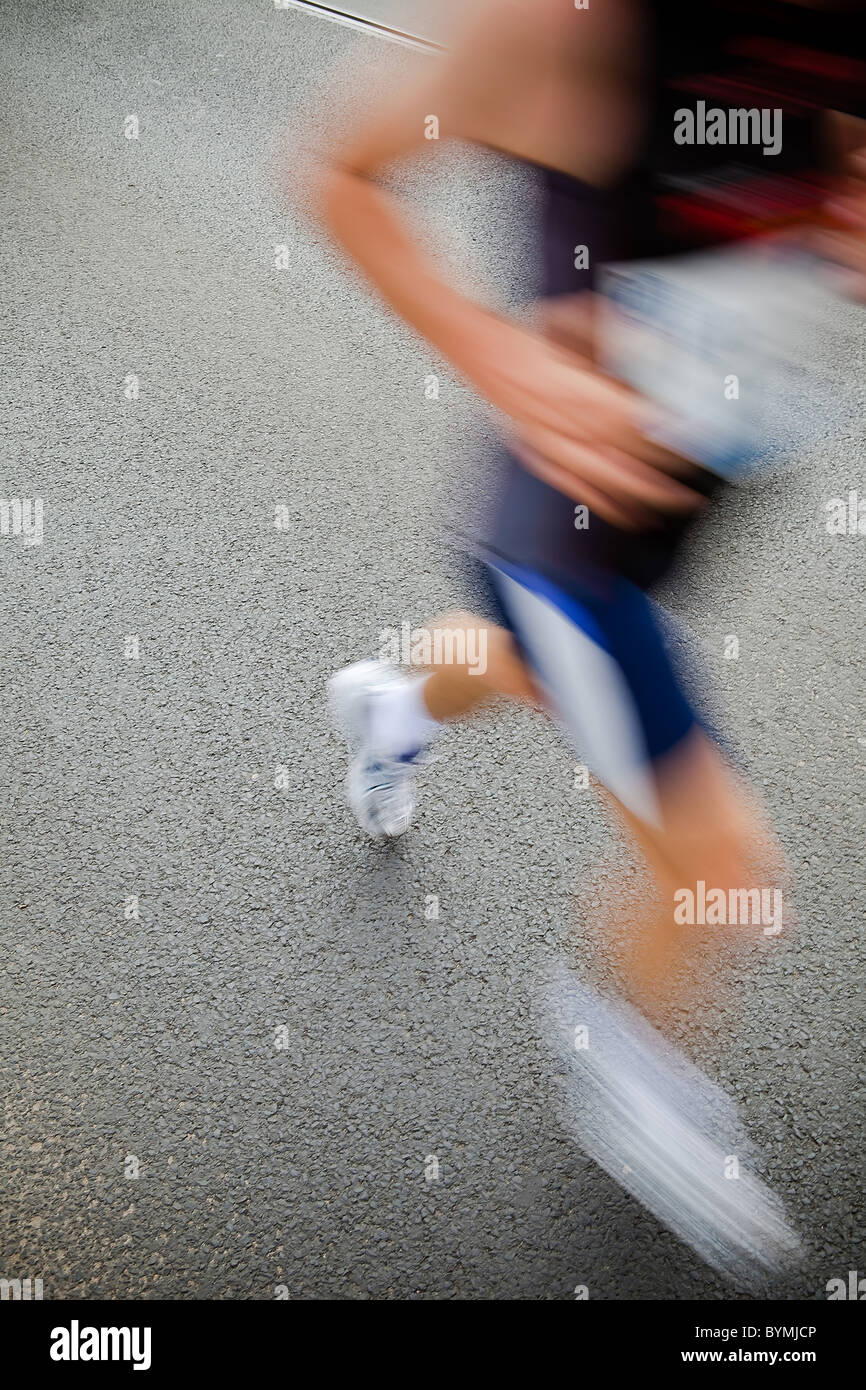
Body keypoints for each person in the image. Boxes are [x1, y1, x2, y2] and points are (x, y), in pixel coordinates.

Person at [297, 0, 865, 1277]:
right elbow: (336, 171)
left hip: (685, 501)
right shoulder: (561, 27)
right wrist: (500, 358)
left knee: (510, 658)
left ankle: (390, 704)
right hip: (569, 539)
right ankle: (628, 1063)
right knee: (724, 872)